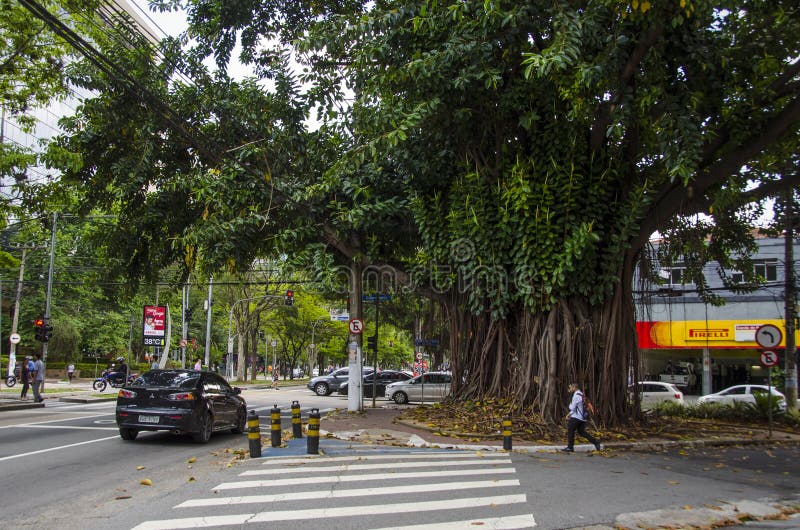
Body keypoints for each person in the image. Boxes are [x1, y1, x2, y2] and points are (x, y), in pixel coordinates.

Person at [561, 382, 602, 453]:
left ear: (574, 388)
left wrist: (569, 407)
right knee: (582, 432)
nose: (569, 389)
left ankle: (570, 447)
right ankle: (596, 442)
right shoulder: (581, 394)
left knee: (570, 430)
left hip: (576, 417)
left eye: (570, 387)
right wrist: (569, 414)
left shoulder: (576, 395)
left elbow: (572, 407)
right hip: (582, 418)